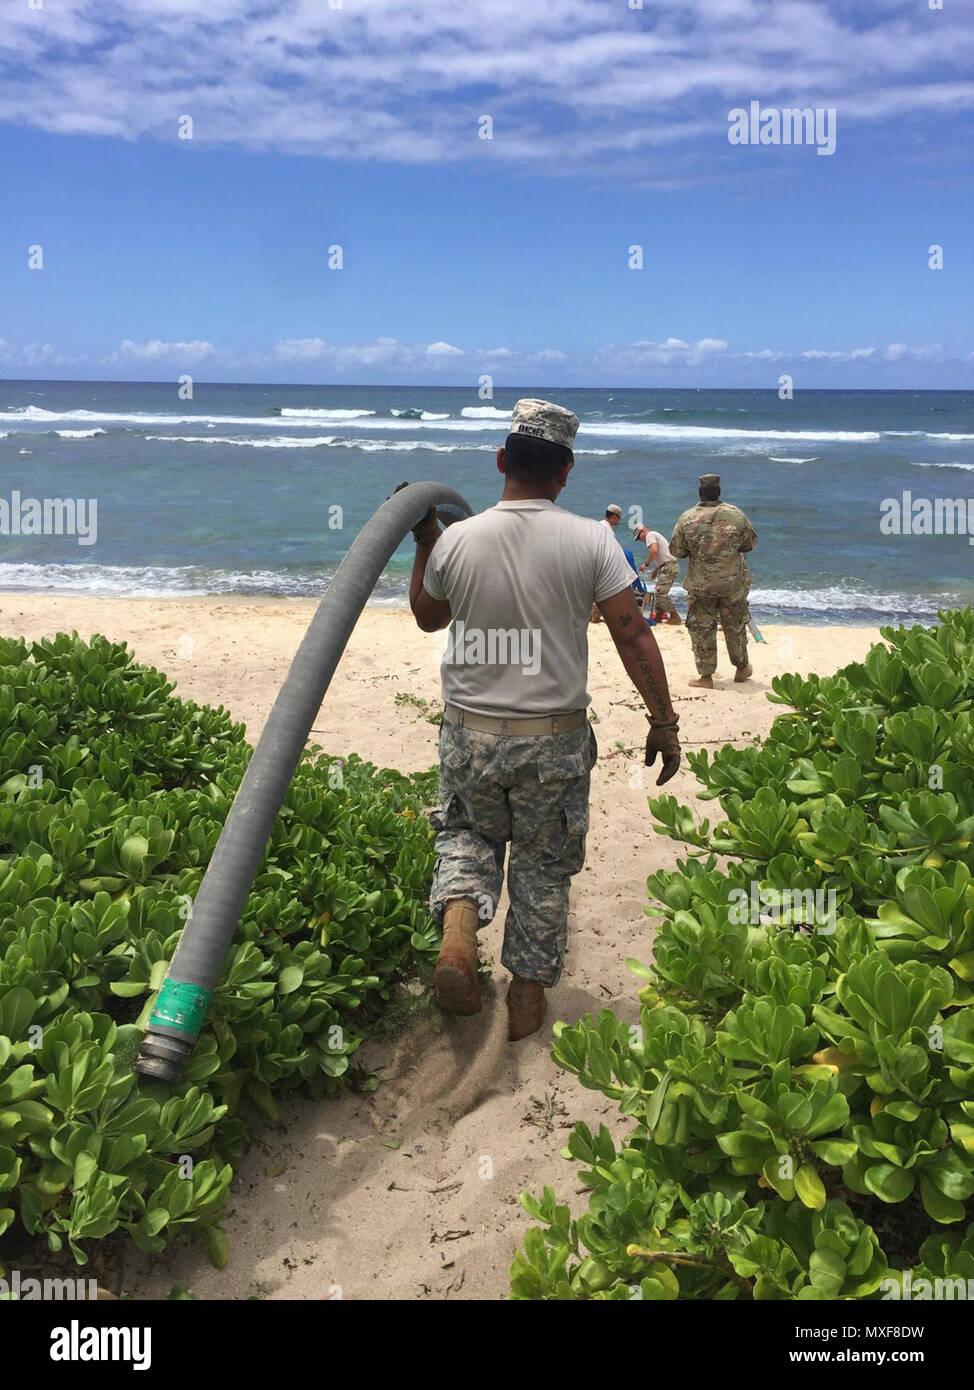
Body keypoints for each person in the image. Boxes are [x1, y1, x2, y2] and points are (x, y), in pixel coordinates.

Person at [407, 399, 681, 1040]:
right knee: (544, 863)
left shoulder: (457, 540)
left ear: (502, 460)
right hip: (552, 739)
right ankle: (526, 1000)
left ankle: (459, 931)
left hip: (469, 732)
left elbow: (427, 615)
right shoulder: (592, 539)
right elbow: (632, 633)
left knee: (466, 835)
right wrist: (663, 720)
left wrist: (424, 541)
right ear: (566, 470)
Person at [669, 473, 757, 689]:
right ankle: (741, 668)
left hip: (701, 585)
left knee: (702, 628)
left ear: (700, 493)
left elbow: (677, 550)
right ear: (718, 492)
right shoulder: (736, 515)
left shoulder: (687, 518)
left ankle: (706, 677)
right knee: (735, 626)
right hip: (732, 583)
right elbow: (749, 544)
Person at [632, 523, 681, 625]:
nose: (641, 540)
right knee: (658, 590)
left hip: (669, 566)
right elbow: (662, 556)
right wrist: (656, 570)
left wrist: (646, 564)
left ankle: (674, 615)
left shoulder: (650, 535)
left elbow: (654, 550)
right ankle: (659, 615)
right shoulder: (653, 535)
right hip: (667, 565)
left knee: (660, 593)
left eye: (639, 538)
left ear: (642, 531)